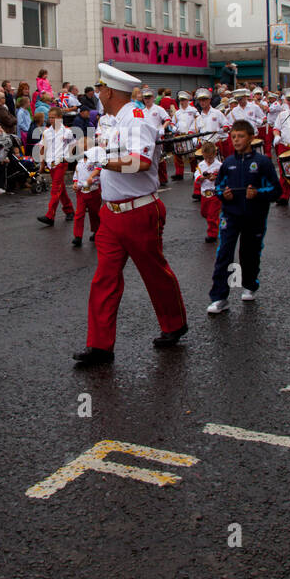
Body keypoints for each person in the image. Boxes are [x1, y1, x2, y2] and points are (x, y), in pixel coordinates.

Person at [75, 63, 188, 365]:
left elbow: (139, 163)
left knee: (154, 273)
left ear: (108, 91)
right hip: (112, 213)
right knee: (104, 279)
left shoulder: (136, 121)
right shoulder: (115, 120)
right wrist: (97, 164)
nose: (97, 94)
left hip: (138, 211)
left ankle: (174, 323)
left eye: (99, 89)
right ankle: (99, 346)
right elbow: (117, 160)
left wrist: (104, 161)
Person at [206, 120, 281, 314]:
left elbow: (276, 190)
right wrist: (224, 194)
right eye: (233, 137)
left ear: (251, 137)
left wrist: (258, 193)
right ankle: (220, 297)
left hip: (254, 216)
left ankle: (249, 284)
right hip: (230, 215)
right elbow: (219, 187)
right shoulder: (228, 163)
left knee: (249, 252)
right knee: (224, 253)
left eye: (241, 136)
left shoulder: (263, 162)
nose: (237, 140)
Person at [37, 106, 76, 225]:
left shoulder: (67, 131)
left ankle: (50, 216)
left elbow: (73, 146)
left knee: (55, 190)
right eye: (50, 118)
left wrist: (67, 157)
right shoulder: (46, 132)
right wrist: (42, 164)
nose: (51, 120)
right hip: (50, 163)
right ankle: (69, 210)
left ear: (60, 118)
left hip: (61, 163)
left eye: (53, 118)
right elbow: (43, 148)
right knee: (61, 188)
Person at [71, 141, 104, 247]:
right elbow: (76, 176)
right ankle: (78, 236)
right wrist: (75, 184)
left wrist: (91, 177)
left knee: (94, 213)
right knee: (79, 214)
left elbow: (99, 169)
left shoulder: (94, 160)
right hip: (81, 192)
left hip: (93, 190)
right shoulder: (79, 162)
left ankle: (97, 232)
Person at [195, 140, 222, 243]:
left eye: (210, 158)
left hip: (215, 194)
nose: (208, 160)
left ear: (215, 154)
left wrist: (215, 177)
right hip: (204, 194)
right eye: (206, 157)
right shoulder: (201, 165)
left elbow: (224, 177)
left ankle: (212, 234)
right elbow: (196, 175)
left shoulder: (219, 165)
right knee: (204, 213)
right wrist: (201, 178)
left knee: (212, 215)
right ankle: (217, 222)